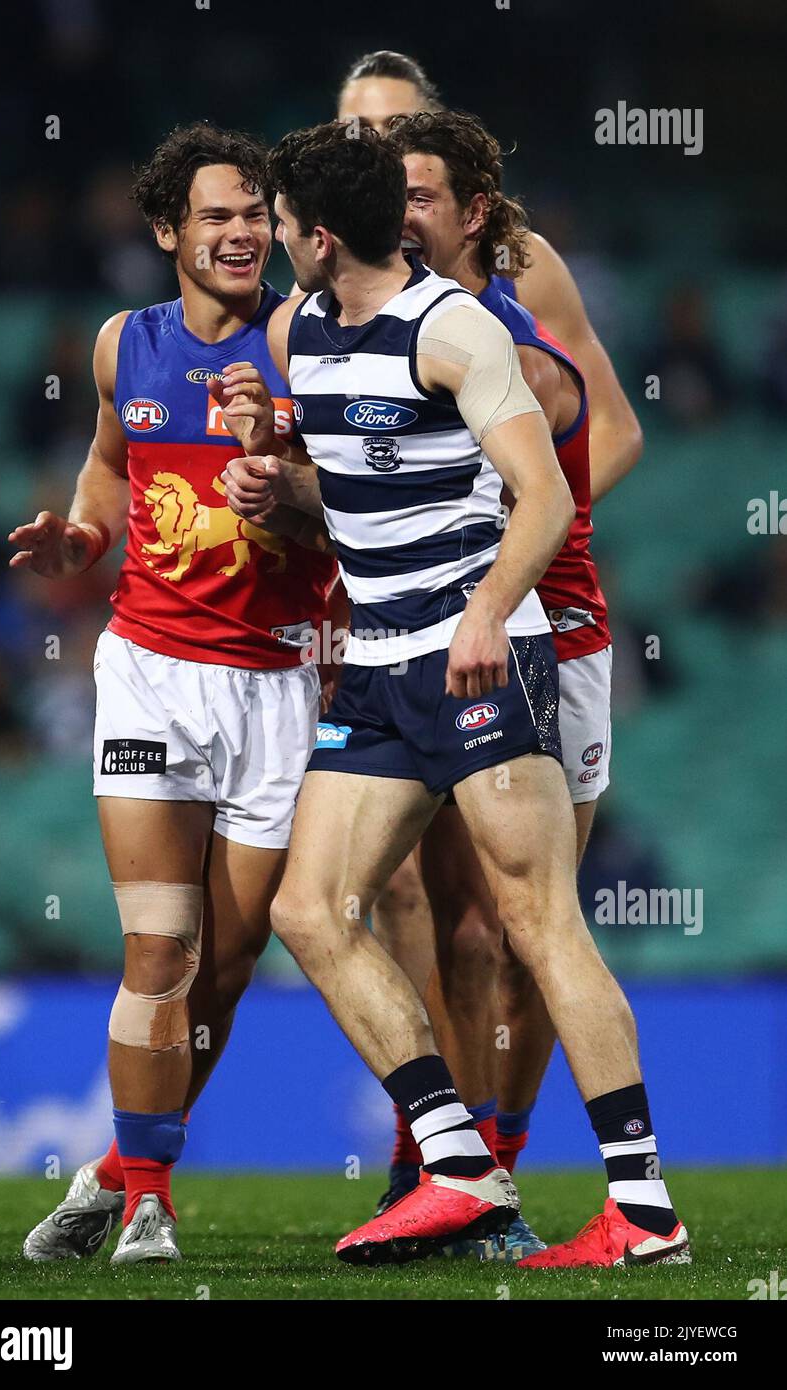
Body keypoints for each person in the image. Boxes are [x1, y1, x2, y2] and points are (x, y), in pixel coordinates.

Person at [227, 120, 688, 1269]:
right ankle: (459, 1166)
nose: (273, 244)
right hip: (381, 663)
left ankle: (641, 1211)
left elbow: (539, 500)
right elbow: (355, 503)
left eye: (281, 226)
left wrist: (486, 613)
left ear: (320, 235)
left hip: (478, 651)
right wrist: (272, 480)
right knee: (305, 911)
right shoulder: (306, 334)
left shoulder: (453, 327)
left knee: (535, 921)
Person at [11, 123, 334, 1265]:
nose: (242, 232)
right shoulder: (120, 345)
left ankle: (113, 1168)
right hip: (148, 671)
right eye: (216, 215)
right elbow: (111, 459)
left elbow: (360, 512)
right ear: (167, 232)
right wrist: (84, 532)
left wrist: (284, 468)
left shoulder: (311, 341)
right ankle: (151, 1196)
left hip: (280, 683)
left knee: (231, 964)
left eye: (255, 213)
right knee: (161, 948)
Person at [336, 51, 644, 1234]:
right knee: (387, 897)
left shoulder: (513, 273)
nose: (375, 149)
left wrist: (520, 533)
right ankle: (437, 1153)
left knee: (507, 924)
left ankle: (494, 1166)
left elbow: (606, 429)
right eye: (355, 127)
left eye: (396, 129)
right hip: (390, 623)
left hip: (531, 617)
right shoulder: (333, 266)